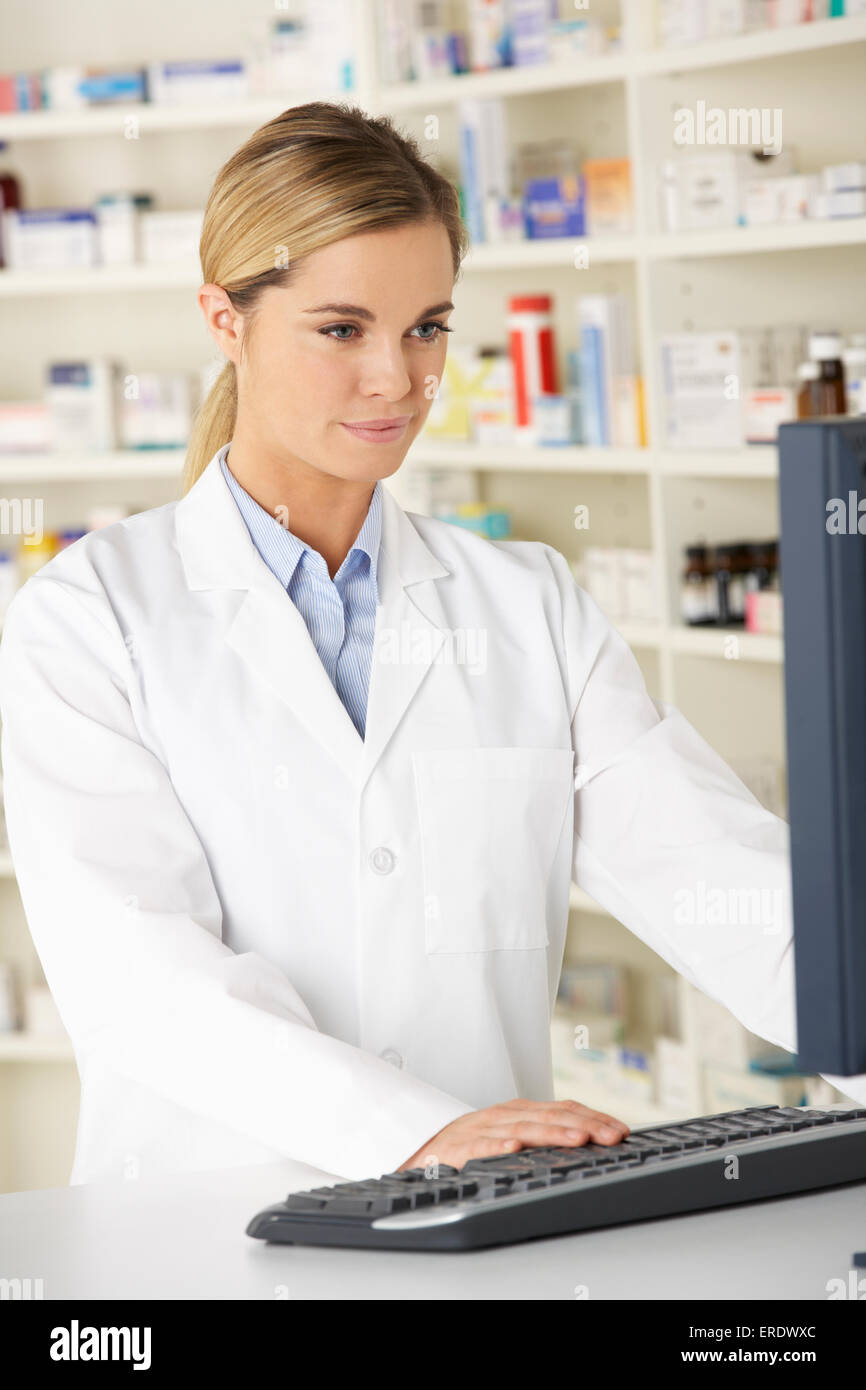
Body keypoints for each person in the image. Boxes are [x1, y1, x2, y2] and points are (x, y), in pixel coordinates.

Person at [0, 104, 861, 1189]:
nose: (397, 380)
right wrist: (410, 1131)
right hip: (207, 1242)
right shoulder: (90, 618)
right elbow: (141, 976)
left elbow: (709, 874)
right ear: (225, 318)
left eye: (426, 326)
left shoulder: (527, 604)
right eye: (341, 328)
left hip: (477, 1232)